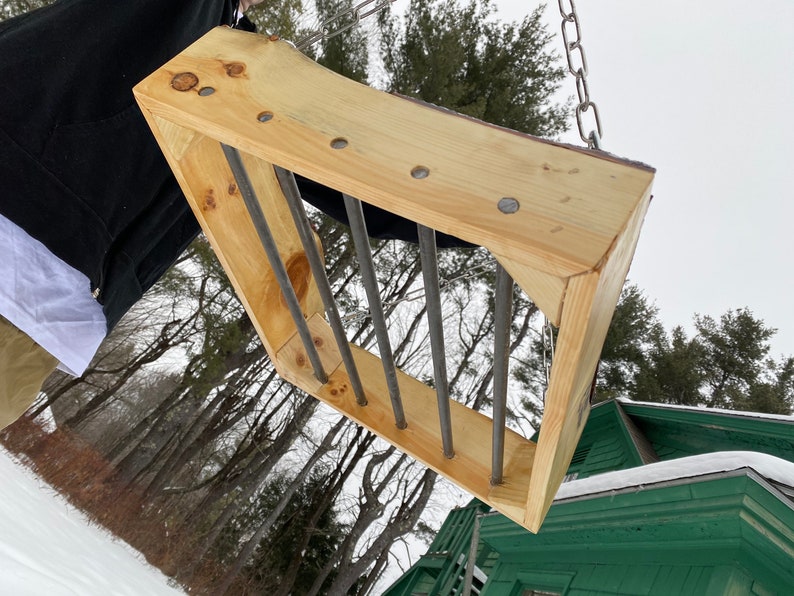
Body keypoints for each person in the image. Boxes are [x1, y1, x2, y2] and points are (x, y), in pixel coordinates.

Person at [0, 0, 471, 431]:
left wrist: (474, 215)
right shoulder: (190, 17)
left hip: (42, 306)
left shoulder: (243, 65)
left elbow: (346, 177)